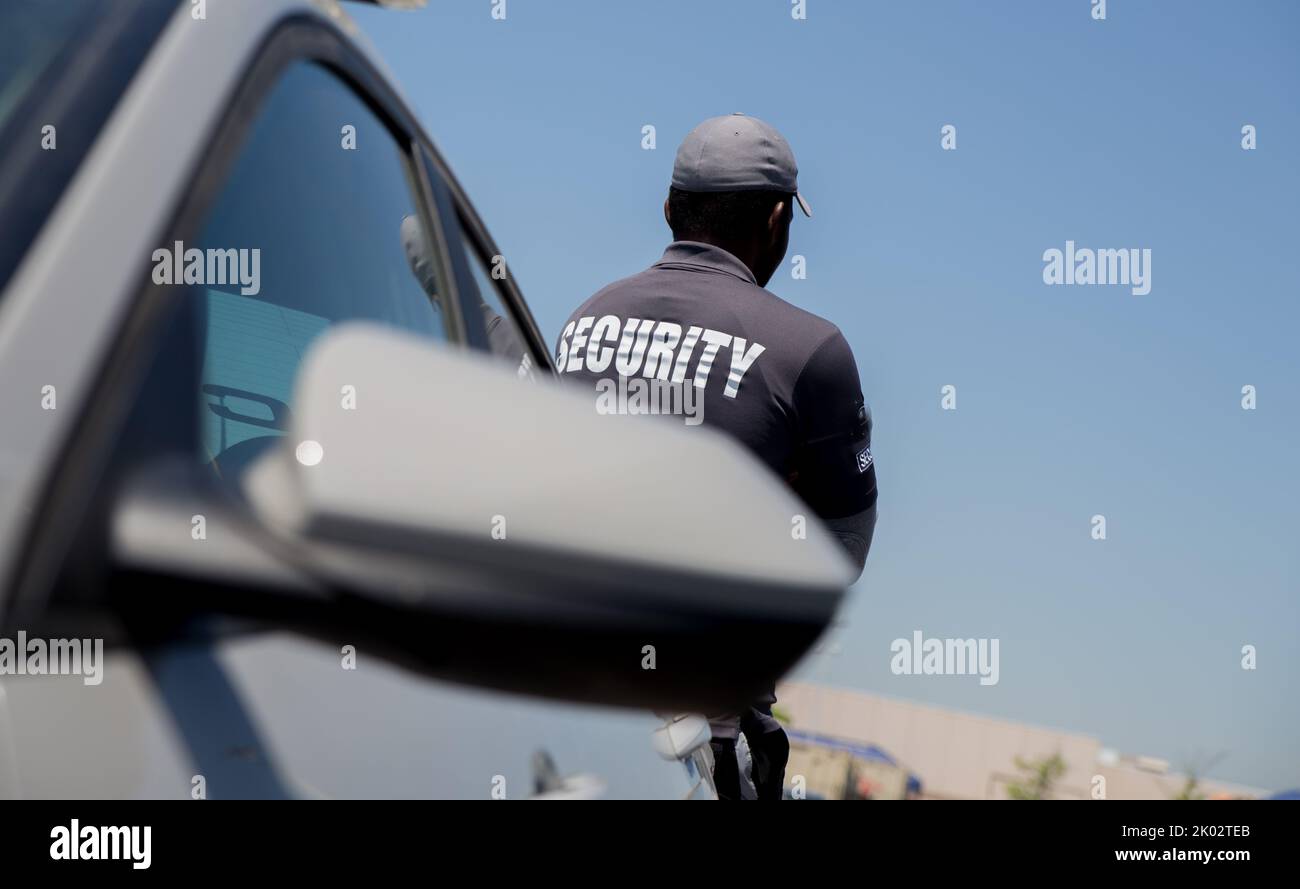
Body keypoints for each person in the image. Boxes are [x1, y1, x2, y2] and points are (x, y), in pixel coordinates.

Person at [554, 114, 877, 799]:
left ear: (669, 207)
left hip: (565, 709)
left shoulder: (584, 322)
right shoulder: (810, 352)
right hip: (708, 750)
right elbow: (842, 552)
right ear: (779, 219)